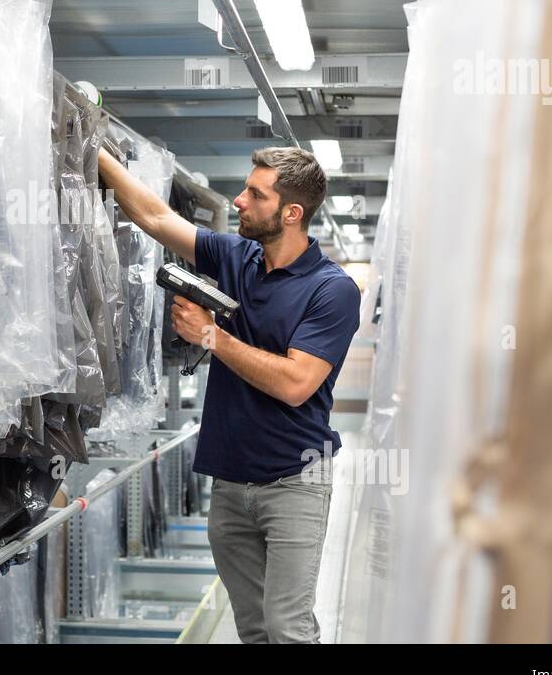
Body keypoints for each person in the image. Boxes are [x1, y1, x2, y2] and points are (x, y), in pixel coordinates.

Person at [97, 145, 361, 643]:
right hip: (230, 482)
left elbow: (295, 384)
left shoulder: (333, 289)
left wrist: (212, 337)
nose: (238, 200)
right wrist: (94, 150)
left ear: (291, 213)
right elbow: (155, 216)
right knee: (256, 630)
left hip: (295, 481)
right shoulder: (236, 255)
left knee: (288, 628)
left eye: (255, 194)